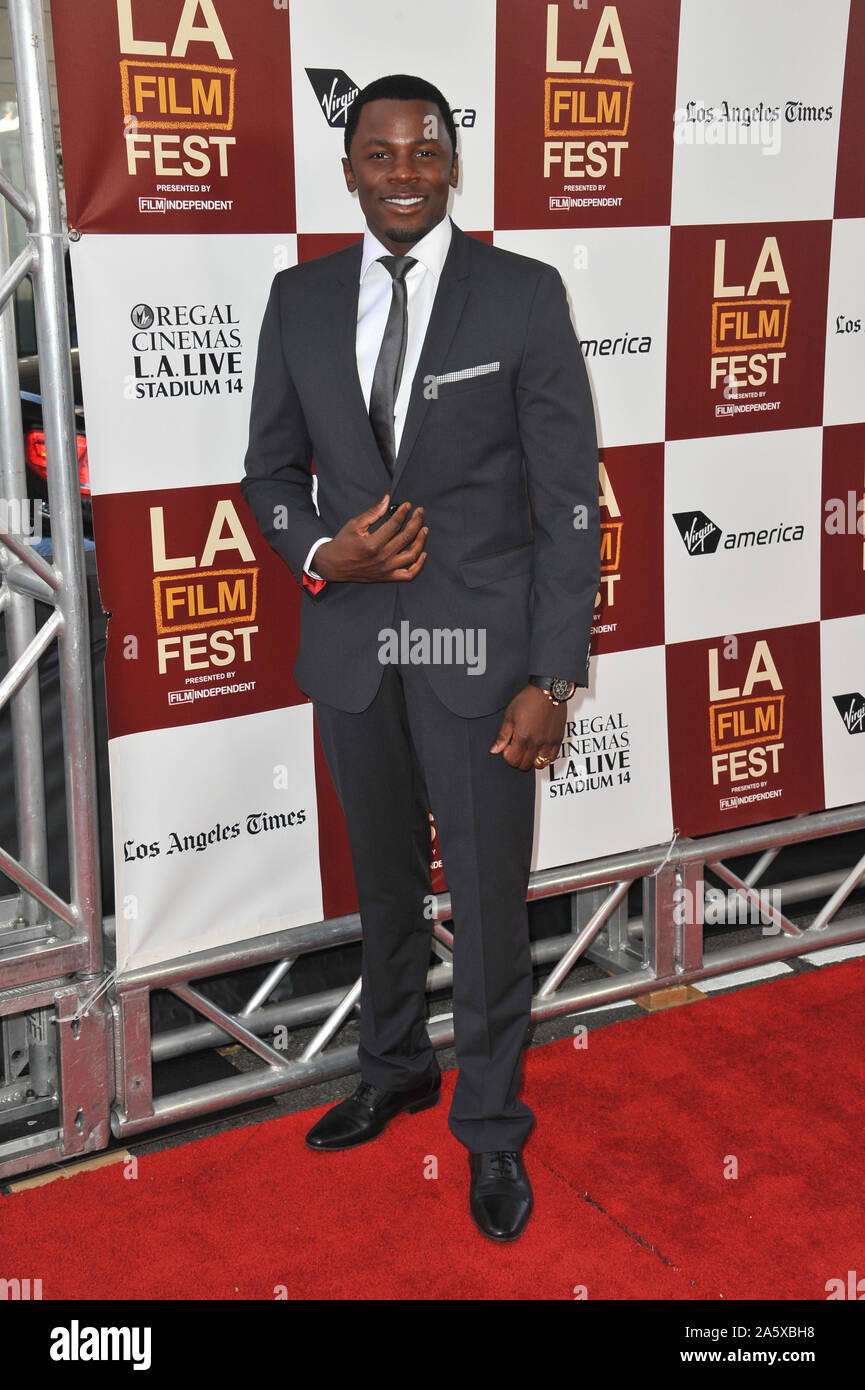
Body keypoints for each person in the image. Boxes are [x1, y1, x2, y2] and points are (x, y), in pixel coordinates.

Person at [241, 74, 599, 1242]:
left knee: (488, 901)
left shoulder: (522, 295)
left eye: (424, 151)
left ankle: (491, 1127)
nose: (403, 172)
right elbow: (268, 474)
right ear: (347, 170)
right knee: (384, 883)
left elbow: (568, 504)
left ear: (453, 164)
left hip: (484, 656)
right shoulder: (297, 299)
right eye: (379, 154)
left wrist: (551, 676)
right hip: (354, 645)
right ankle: (393, 1065)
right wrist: (319, 556)